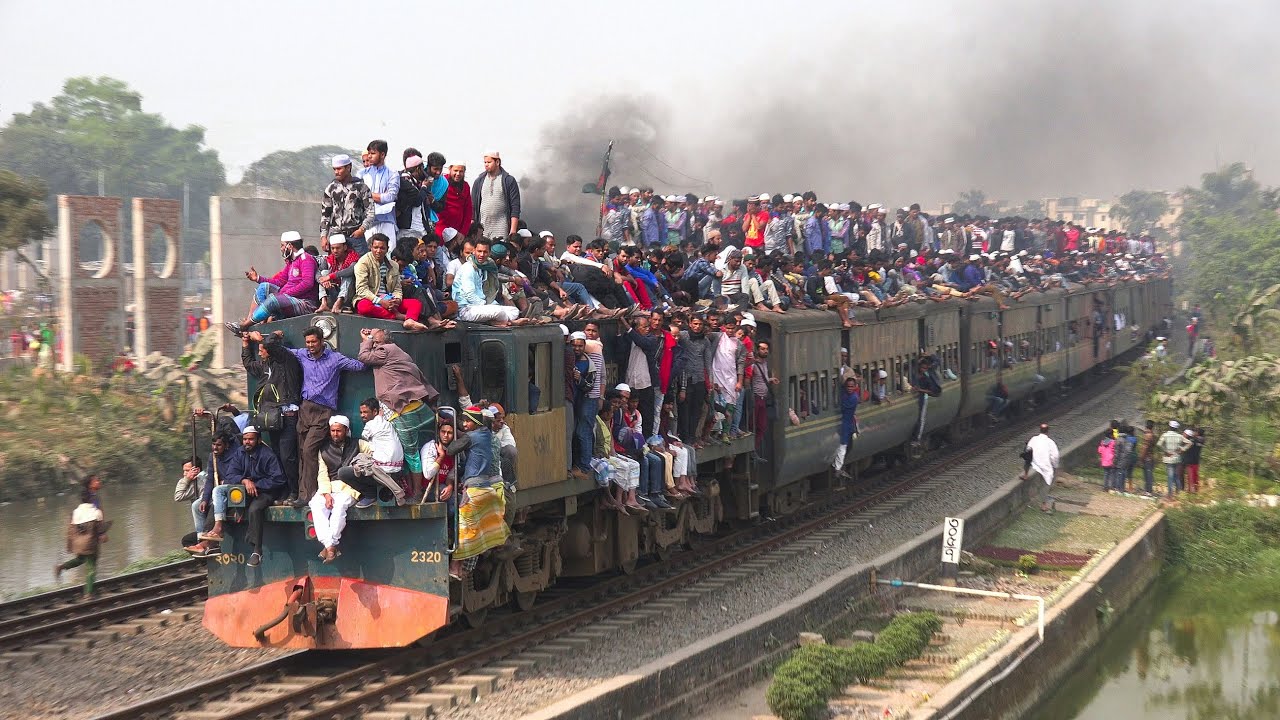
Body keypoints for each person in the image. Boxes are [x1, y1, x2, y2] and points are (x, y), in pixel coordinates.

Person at [358, 326, 441, 501]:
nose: (374, 345)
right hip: (416, 407)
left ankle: (416, 492)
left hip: (403, 412)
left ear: (385, 342)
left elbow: (364, 357)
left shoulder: (386, 350)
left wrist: (366, 341)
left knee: (411, 454)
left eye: (376, 341)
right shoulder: (401, 354)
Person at [286, 327, 367, 503]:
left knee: (309, 450)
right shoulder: (302, 354)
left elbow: (360, 365)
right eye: (307, 342)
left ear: (322, 341)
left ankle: (308, 495)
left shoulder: (335, 358)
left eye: (313, 342)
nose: (310, 346)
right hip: (305, 408)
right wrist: (270, 340)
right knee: (302, 451)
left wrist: (366, 342)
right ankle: (303, 494)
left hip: (323, 411)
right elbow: (284, 353)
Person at [199, 427, 286, 567]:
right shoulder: (240, 453)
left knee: (254, 509)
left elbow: (278, 479)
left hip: (266, 491)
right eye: (245, 439)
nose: (247, 442)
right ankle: (211, 538)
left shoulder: (267, 455)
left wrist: (256, 485)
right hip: (245, 489)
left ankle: (257, 550)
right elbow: (230, 475)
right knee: (219, 496)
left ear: (258, 440)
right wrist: (244, 481)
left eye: (251, 439)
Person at [240, 330, 303, 505]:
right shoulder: (265, 366)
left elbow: (270, 345)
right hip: (271, 418)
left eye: (262, 349)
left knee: (287, 456)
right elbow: (249, 364)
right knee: (276, 455)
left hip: (288, 416)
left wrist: (268, 336)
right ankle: (283, 490)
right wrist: (245, 344)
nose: (260, 351)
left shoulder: (287, 361)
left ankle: (295, 491)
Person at [446, 405, 509, 578]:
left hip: (474, 490)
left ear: (474, 422)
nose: (464, 424)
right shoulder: (487, 435)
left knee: (465, 529)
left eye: (467, 421)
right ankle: (462, 569)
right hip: (487, 488)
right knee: (474, 530)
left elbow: (451, 449)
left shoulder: (472, 437)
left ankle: (454, 566)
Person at [225, 231, 318, 334]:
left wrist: (285, 294)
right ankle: (251, 321)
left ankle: (245, 326)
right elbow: (280, 281)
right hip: (289, 298)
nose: (281, 249)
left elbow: (307, 283)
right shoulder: (292, 262)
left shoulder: (306, 259)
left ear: (290, 246)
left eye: (282, 245)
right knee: (264, 287)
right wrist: (258, 278)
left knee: (274, 299)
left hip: (304, 304)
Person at [309, 415, 373, 562]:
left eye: (338, 431)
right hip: (330, 488)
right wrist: (326, 495)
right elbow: (322, 473)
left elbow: (374, 452)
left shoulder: (358, 444)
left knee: (339, 507)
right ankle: (331, 545)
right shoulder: (324, 449)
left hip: (351, 487)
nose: (335, 434)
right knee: (316, 504)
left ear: (346, 430)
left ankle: (329, 547)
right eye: (333, 431)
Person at [353, 234, 429, 330]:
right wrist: (381, 302)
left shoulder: (394, 265)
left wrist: (397, 300)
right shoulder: (363, 263)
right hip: (371, 300)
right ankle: (399, 317)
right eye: (375, 247)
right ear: (370, 247)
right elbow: (362, 290)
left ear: (387, 248)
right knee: (364, 307)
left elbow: (397, 288)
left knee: (415, 303)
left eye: (382, 248)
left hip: (389, 300)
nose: (378, 251)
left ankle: (410, 321)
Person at [55, 475, 110, 597]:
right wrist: (102, 533)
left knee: (81, 558)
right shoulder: (94, 498)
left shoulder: (81, 504)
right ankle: (89, 593)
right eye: (96, 480)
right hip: (90, 536)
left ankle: (62, 567)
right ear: (90, 484)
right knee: (91, 565)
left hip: (79, 537)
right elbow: (96, 516)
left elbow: (75, 523)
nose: (99, 482)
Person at [452, 238, 521, 325]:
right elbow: (469, 295)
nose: (482, 254)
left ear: (489, 253)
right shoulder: (468, 268)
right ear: (474, 251)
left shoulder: (484, 267)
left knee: (514, 311)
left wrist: (491, 305)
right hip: (467, 309)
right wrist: (487, 306)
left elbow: (486, 294)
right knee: (498, 311)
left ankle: (497, 321)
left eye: (485, 252)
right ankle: (510, 323)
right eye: (479, 251)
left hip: (481, 306)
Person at [320, 153, 373, 255]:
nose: (336, 172)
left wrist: (362, 229)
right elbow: (325, 215)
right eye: (334, 169)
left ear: (348, 167)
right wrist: (323, 237)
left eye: (339, 169)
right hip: (336, 236)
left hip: (355, 235)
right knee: (334, 268)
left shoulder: (361, 187)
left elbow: (370, 212)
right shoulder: (331, 188)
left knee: (361, 267)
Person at [356, 140, 401, 251]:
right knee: (368, 255)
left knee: (389, 254)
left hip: (386, 220)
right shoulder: (362, 174)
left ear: (382, 154)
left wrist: (367, 194)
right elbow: (357, 196)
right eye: (369, 153)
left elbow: (390, 197)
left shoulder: (392, 174)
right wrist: (379, 197)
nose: (369, 156)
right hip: (367, 221)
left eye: (373, 153)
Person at [471, 151, 522, 240]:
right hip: (482, 226)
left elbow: (515, 207)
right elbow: (472, 205)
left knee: (499, 250)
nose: (486, 165)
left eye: (489, 162)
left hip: (501, 226)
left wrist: (513, 229)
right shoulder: (479, 181)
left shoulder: (508, 181)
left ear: (497, 162)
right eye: (485, 162)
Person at [751, 339, 780, 463]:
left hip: (763, 398)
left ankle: (754, 449)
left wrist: (770, 379)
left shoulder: (764, 364)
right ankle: (752, 451)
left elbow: (762, 378)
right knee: (753, 425)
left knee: (762, 426)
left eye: (766, 349)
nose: (765, 351)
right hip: (756, 397)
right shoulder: (753, 365)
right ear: (757, 350)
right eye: (762, 349)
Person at [1024, 424, 1060, 513]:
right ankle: (1044, 504)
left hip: (1033, 463)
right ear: (1048, 431)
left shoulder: (1033, 439)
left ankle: (1025, 474)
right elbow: (1055, 456)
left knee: (1027, 458)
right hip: (1045, 465)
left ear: (1040, 430)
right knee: (1046, 483)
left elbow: (1028, 449)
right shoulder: (1050, 442)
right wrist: (1055, 465)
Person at [832, 376, 860, 479]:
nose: (850, 388)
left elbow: (844, 406)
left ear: (855, 387)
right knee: (843, 446)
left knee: (843, 446)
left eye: (852, 386)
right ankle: (838, 466)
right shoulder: (845, 394)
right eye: (848, 386)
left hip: (847, 423)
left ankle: (837, 468)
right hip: (846, 422)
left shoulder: (854, 398)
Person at [1157, 421, 1186, 499]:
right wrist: (1182, 449)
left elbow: (1159, 444)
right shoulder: (1180, 436)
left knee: (1170, 476)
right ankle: (1179, 493)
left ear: (1170, 427)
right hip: (1177, 458)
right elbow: (1189, 443)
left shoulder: (1165, 435)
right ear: (1176, 428)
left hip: (1168, 459)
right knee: (1176, 476)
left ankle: (1170, 494)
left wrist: (1165, 451)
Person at [1137, 419, 1157, 495]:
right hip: (1151, 456)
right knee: (1148, 474)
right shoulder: (1153, 435)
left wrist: (1141, 458)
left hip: (1147, 457)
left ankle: (1148, 491)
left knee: (1147, 475)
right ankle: (1148, 490)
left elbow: (1145, 447)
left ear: (1146, 426)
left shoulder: (1147, 435)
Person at [1181, 427, 1203, 493]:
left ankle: (1191, 490)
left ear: (1197, 433)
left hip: (1190, 461)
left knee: (1190, 476)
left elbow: (1185, 447)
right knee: (1195, 475)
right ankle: (1196, 489)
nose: (1194, 433)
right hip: (1196, 461)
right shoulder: (1201, 440)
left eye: (1195, 432)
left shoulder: (1192, 441)